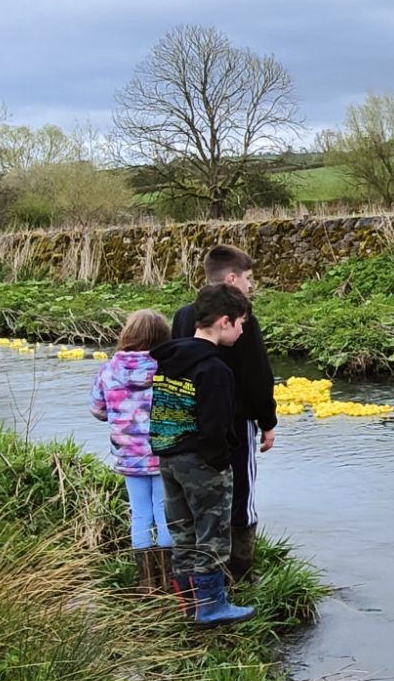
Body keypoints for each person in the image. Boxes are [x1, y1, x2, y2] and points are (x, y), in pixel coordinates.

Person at [149, 283, 256, 626]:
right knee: (211, 537)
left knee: (182, 534)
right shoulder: (215, 370)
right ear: (224, 322)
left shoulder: (169, 360)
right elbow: (214, 428)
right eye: (240, 323)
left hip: (168, 458)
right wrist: (222, 461)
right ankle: (211, 606)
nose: (242, 331)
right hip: (201, 464)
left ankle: (188, 604)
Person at [170, 245, 275, 584]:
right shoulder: (242, 320)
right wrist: (268, 421)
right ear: (231, 279)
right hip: (234, 422)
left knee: (192, 506)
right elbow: (257, 374)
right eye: (247, 279)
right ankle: (240, 574)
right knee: (240, 494)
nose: (250, 286)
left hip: (190, 427)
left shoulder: (184, 315)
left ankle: (193, 583)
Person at [91, 308, 173, 595]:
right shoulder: (168, 368)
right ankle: (169, 582)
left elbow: (97, 410)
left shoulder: (109, 369)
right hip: (164, 454)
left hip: (128, 456)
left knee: (140, 514)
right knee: (164, 513)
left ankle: (146, 583)